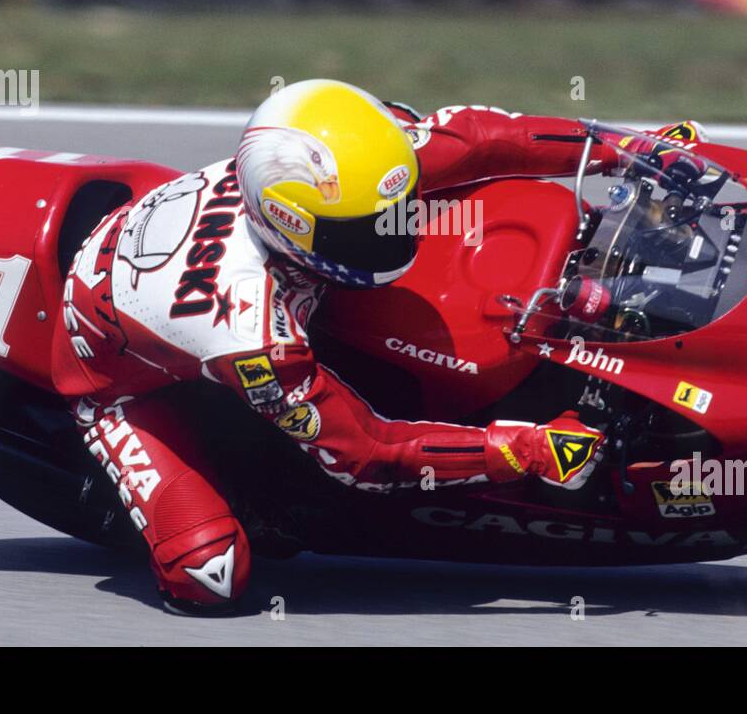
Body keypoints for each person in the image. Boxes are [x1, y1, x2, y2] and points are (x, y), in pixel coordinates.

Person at [53, 79, 702, 613]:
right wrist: (524, 449)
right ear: (292, 227)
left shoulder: (356, 160)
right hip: (110, 375)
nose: (392, 233)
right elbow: (362, 451)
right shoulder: (249, 330)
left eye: (391, 211)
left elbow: (478, 140)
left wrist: (625, 147)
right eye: (362, 233)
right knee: (211, 574)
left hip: (172, 244)